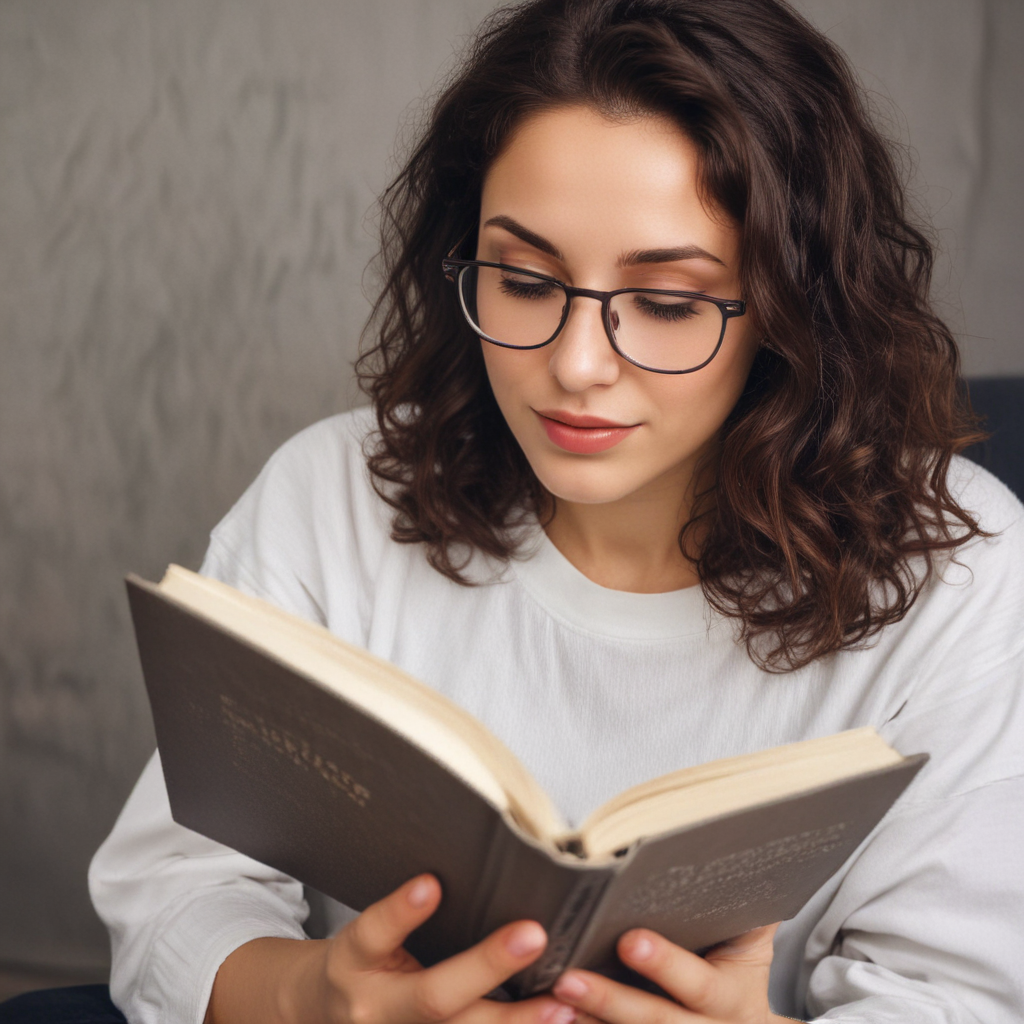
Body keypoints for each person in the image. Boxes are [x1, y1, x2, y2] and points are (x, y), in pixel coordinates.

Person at [80, 1, 1024, 1023]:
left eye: (666, 304)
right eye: (524, 280)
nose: (574, 366)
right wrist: (314, 997)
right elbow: (174, 888)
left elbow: (955, 991)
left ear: (792, 308)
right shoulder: (331, 499)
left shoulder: (954, 573)